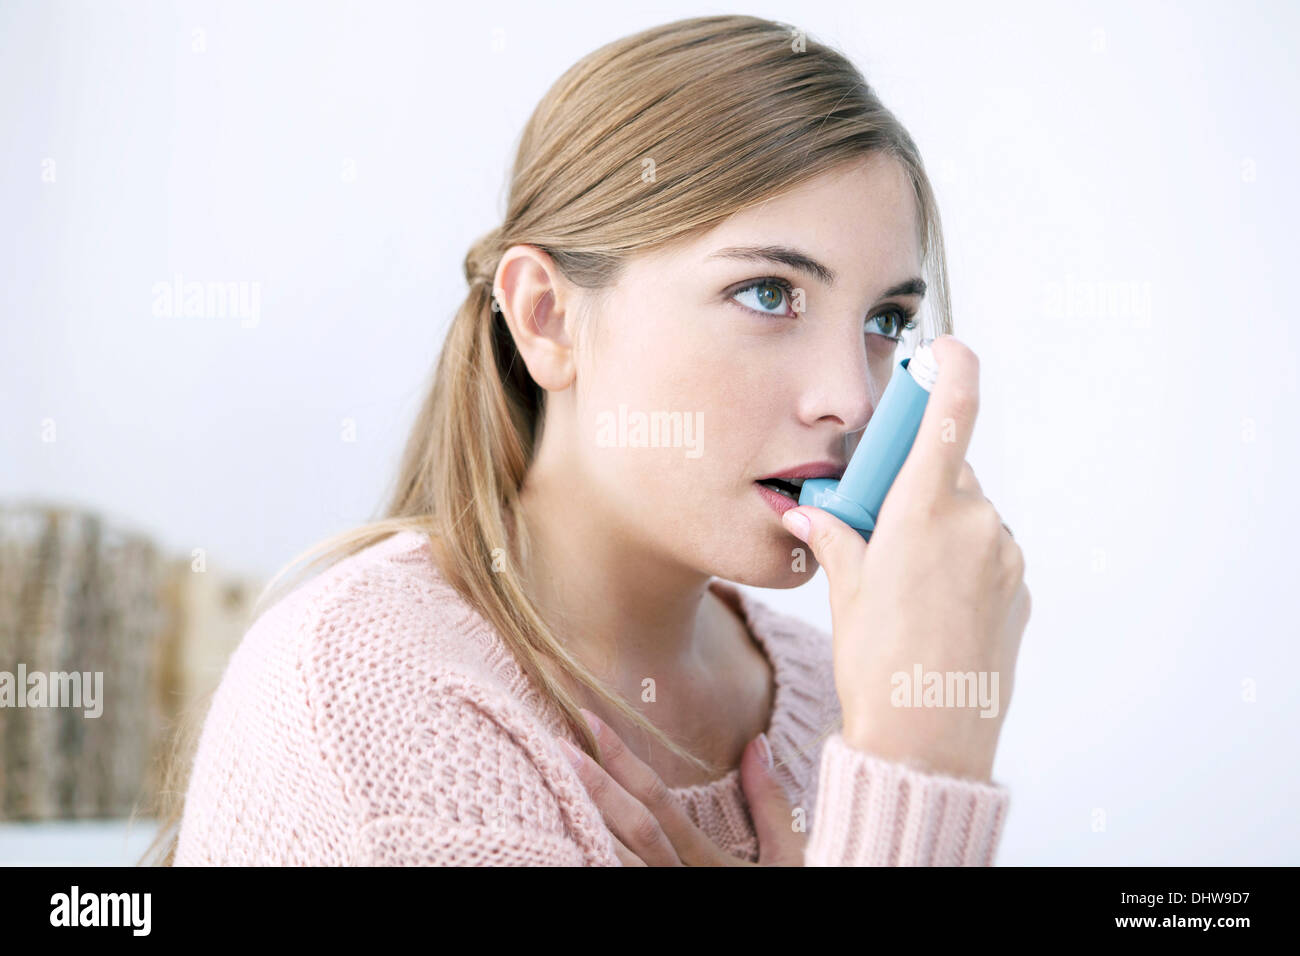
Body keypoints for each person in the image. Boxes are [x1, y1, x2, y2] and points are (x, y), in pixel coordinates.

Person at [145, 13, 1030, 867]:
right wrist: (920, 765)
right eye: (769, 294)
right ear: (547, 318)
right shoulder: (370, 692)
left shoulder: (839, 688)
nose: (852, 399)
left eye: (886, 319)